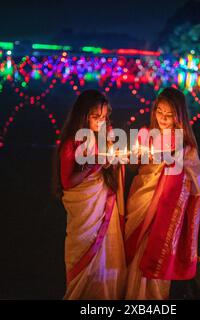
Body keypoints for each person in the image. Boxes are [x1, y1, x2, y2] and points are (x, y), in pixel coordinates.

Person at [124, 87, 200, 300]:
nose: (163, 118)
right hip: (142, 198)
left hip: (165, 211)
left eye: (169, 115)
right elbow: (135, 162)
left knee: (153, 256)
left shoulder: (186, 147)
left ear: (179, 117)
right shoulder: (146, 135)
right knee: (133, 258)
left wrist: (173, 162)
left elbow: (195, 180)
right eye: (160, 112)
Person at [56, 89, 126, 299]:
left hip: (104, 204)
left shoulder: (106, 136)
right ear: (83, 115)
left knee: (108, 261)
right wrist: (93, 166)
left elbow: (114, 160)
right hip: (84, 210)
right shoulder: (71, 143)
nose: (100, 122)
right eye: (96, 117)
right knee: (83, 264)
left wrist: (114, 160)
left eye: (104, 117)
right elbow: (67, 182)